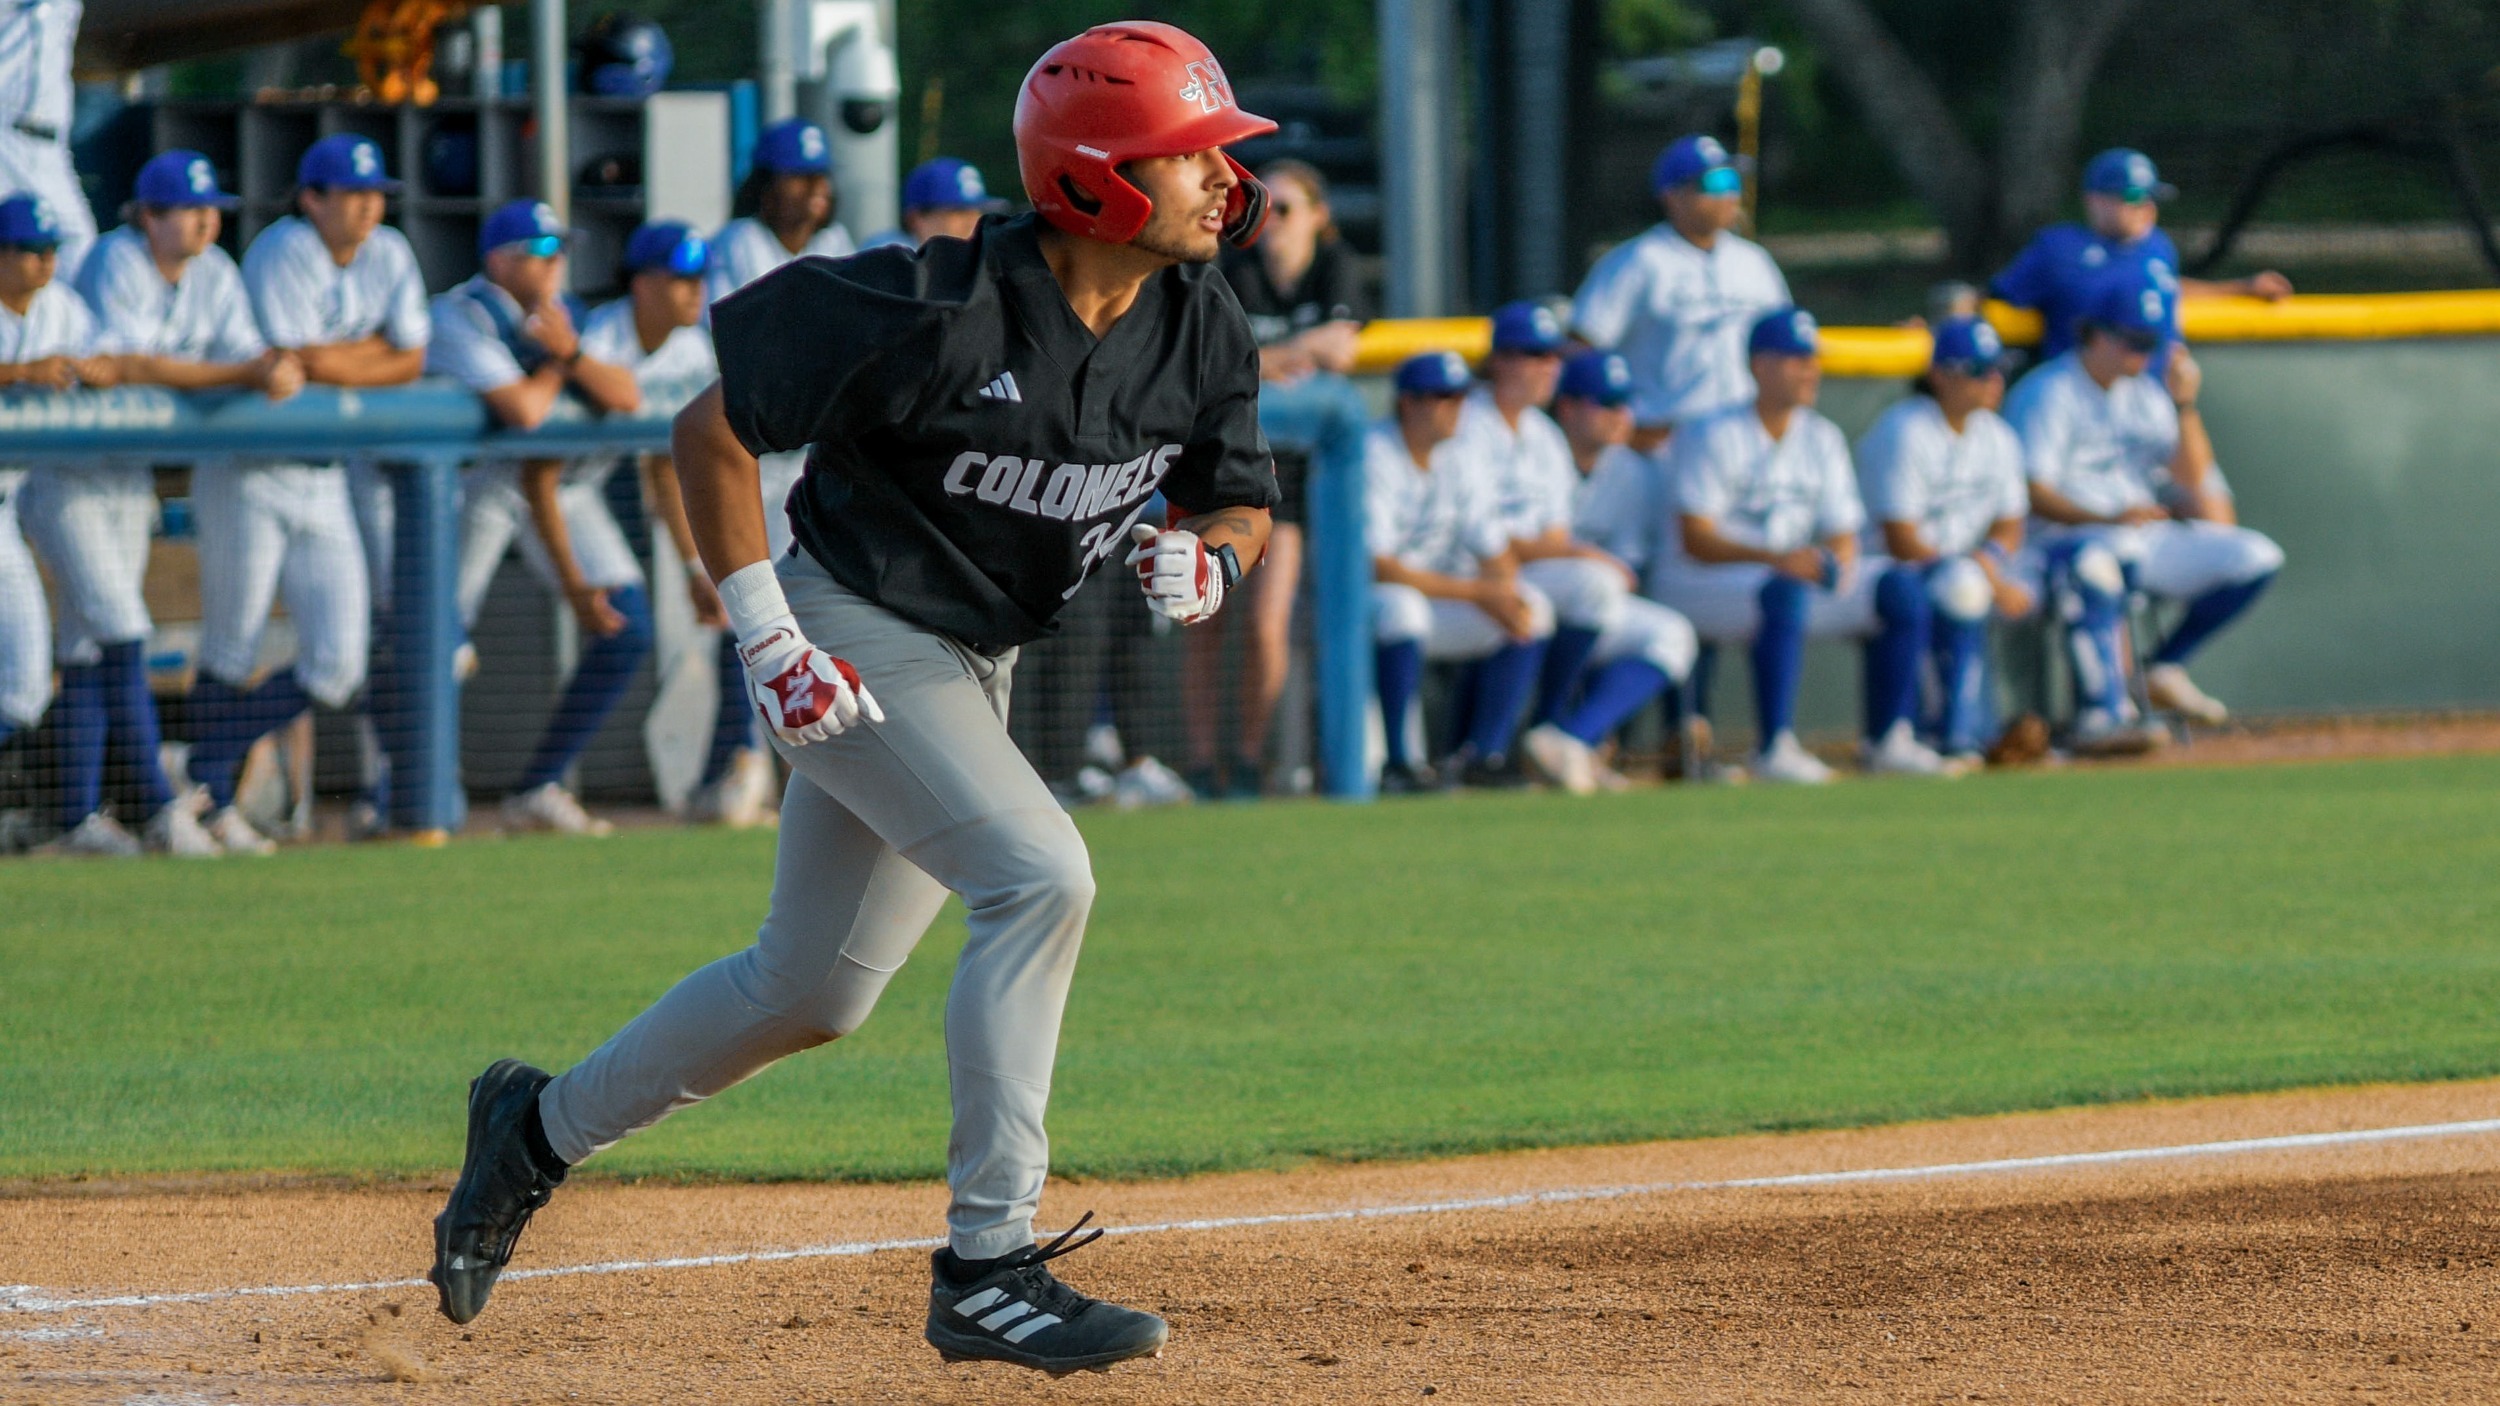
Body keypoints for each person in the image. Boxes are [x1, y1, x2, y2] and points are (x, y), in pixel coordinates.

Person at [430, 21, 1280, 1379]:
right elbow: (707, 430)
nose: (1225, 184)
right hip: (843, 623)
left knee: (810, 989)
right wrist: (761, 630)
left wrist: (1215, 561)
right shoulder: (932, 299)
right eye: (1192, 158)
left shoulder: (1199, 321)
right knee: (1039, 875)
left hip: (969, 657)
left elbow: (1233, 495)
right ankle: (988, 1265)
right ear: (1098, 181)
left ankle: (530, 1132)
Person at [25, 152, 297, 859]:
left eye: (211, 208)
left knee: (85, 644)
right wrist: (241, 371)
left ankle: (76, 818)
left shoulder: (215, 271)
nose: (206, 220)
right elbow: (135, 365)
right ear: (148, 215)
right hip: (66, 475)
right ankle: (156, 803)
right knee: (122, 629)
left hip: (128, 478)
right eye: (187, 209)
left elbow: (247, 358)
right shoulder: (117, 261)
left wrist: (264, 366)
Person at [226, 133, 428, 847]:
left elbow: (411, 358)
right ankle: (204, 794)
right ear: (313, 198)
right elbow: (294, 360)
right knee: (232, 641)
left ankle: (201, 764)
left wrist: (347, 359)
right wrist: (373, 352)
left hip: (329, 474)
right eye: (353, 194)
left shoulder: (389, 250)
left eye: (376, 194)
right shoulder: (286, 247)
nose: (370, 207)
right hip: (252, 467)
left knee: (339, 664)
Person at [1652, 308, 1952, 783]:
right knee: (1784, 591)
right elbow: (1696, 538)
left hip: (1780, 577)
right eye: (1795, 359)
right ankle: (1774, 748)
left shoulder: (1821, 436)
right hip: (1700, 580)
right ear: (1758, 366)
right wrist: (1780, 560)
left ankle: (1890, 738)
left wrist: (1837, 559)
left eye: (1812, 359)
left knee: (1898, 588)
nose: (1809, 371)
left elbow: (1842, 528)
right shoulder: (1714, 432)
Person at [430, 200, 647, 835]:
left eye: (560, 251)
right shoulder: (461, 312)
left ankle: (538, 785)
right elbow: (523, 412)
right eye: (541, 252)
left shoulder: (567, 315)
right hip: (454, 491)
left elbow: (626, 396)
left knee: (625, 627)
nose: (556, 265)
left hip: (543, 485)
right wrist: (560, 360)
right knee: (435, 645)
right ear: (500, 260)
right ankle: (404, 788)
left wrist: (568, 353)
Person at [2004, 275, 2283, 742]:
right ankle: (2105, 715)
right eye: (2133, 341)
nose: (2143, 354)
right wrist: (2105, 519)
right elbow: (2031, 492)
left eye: (2151, 342)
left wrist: (2185, 404)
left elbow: (2193, 482)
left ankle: (2160, 668)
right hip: (2061, 542)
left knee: (2255, 556)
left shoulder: (2147, 394)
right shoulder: (2049, 393)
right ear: (2094, 333)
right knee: (2100, 559)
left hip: (2136, 535)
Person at [701, 116, 858, 813]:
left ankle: (804, 770)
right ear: (765, 186)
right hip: (748, 460)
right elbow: (754, 350)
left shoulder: (839, 245)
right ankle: (737, 762)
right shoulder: (737, 245)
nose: (814, 191)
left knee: (813, 615)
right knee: (748, 615)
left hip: (810, 459)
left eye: (820, 177)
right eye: (798, 176)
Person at [1197, 157, 1369, 797]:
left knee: (1267, 624)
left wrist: (1261, 362)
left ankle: (1246, 761)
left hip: (1293, 475)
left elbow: (1345, 349)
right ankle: (1200, 763)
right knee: (1203, 618)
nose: (1273, 224)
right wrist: (1298, 353)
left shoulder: (1336, 267)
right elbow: (1213, 367)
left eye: (1288, 210)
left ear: (1319, 217)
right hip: (1215, 462)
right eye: (1264, 209)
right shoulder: (1231, 270)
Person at [1366, 350, 1553, 792]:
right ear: (1408, 403)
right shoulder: (1375, 451)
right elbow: (1381, 568)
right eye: (1442, 397)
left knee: (1533, 609)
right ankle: (1398, 763)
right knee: (1403, 608)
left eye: (1461, 397)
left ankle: (1481, 757)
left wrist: (1505, 591)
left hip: (1436, 596)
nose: (1455, 408)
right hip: (1358, 603)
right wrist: (1479, 594)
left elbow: (1494, 551)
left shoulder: (1460, 455)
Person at [1519, 350, 1698, 795]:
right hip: (1528, 584)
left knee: (1672, 634)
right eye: (1606, 404)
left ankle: (1572, 739)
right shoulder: (1539, 450)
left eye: (1624, 403)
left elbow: (1628, 570)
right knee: (1593, 584)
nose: (1621, 415)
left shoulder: (1632, 472)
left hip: (1586, 601)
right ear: (1568, 407)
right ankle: (1548, 727)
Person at [1855, 316, 2033, 764]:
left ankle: (1983, 730)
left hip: (1970, 564)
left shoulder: (1997, 434)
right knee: (1961, 586)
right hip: (1888, 572)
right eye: (1978, 371)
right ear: (1940, 376)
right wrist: (1982, 571)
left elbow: (2010, 523)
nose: (1993, 381)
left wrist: (1988, 561)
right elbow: (1900, 539)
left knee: (2083, 571)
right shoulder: (1906, 429)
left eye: (1998, 370)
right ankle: (1956, 734)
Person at [0, 193, 113, 848]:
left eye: (52, 252)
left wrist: (99, 372)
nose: (46, 262)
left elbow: (106, 360)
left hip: (7, 509)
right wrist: (22, 372)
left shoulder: (64, 308)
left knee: (23, 688)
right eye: (32, 251)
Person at [1569, 134, 1790, 456]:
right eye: (1714, 183)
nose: (1729, 195)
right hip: (1662, 442)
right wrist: (1619, 427)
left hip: (1742, 442)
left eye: (1733, 181)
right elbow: (1581, 348)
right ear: (1672, 196)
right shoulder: (1637, 261)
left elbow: (1784, 348)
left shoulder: (1754, 263)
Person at [1993, 147, 2293, 370]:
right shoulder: (2057, 248)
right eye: (2134, 198)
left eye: (2152, 199)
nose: (2147, 208)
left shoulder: (2157, 246)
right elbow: (1998, 297)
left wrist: (2242, 287)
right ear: (2095, 201)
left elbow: (2167, 288)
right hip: (2082, 403)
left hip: (2149, 403)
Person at [0, 0, 98, 279]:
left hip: (51, 142)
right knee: (10, 242)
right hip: (5, 131)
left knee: (80, 246)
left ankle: (54, 322)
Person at [859, 156, 1009, 250]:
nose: (972, 222)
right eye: (958, 212)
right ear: (916, 219)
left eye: (977, 211)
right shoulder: (886, 257)